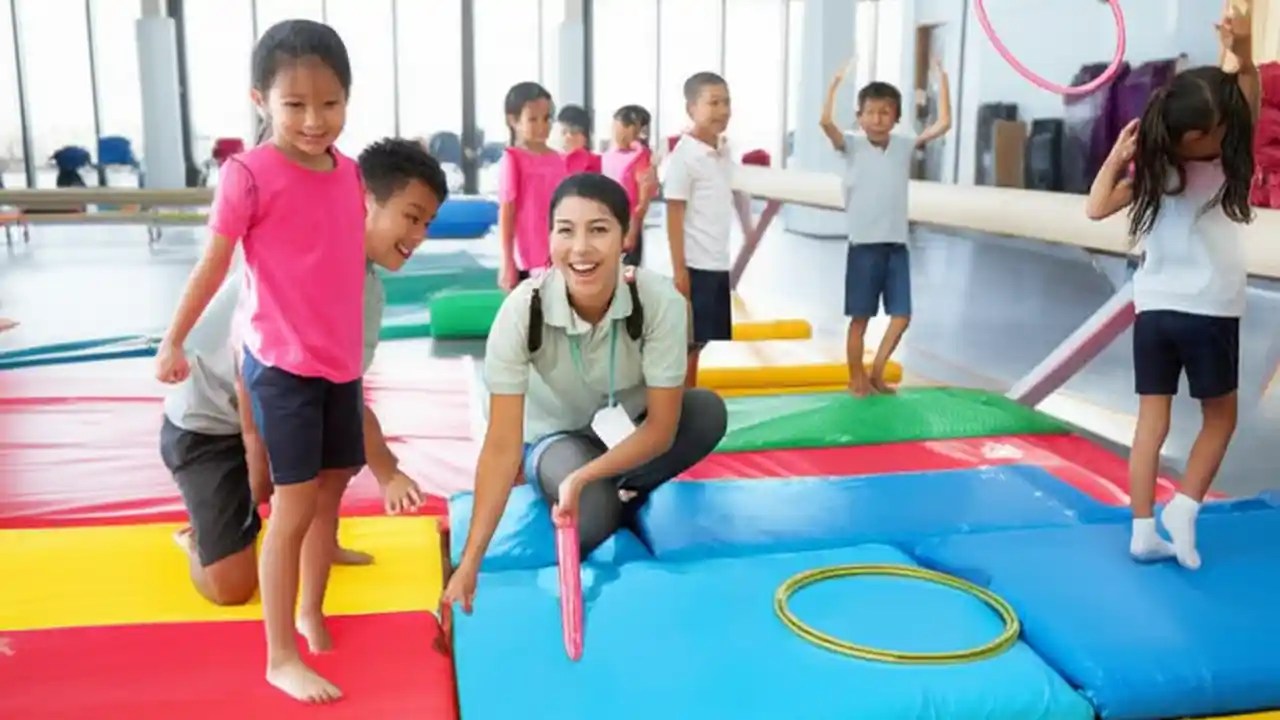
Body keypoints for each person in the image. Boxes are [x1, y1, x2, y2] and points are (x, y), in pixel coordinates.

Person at [153, 19, 363, 703]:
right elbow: (214, 266)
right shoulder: (248, 174)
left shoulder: (350, 171)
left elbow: (331, 267)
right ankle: (278, 655)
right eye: (295, 104)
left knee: (332, 484)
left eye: (329, 103)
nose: (314, 119)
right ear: (260, 100)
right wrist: (173, 339)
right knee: (294, 505)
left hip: (337, 366)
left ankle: (309, 608)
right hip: (283, 367)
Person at [160, 138, 449, 609]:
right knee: (232, 587)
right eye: (411, 217)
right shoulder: (294, 263)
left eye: (428, 223)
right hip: (210, 426)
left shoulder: (368, 289)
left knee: (338, 441)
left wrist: (385, 469)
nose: (419, 235)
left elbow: (345, 393)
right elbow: (246, 380)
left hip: (272, 410)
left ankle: (320, 540)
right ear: (363, 201)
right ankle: (200, 537)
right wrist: (260, 479)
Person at [441, 174, 728, 612]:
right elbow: (501, 447)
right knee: (591, 511)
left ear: (624, 236)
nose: (580, 249)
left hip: (630, 428)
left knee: (706, 411)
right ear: (550, 236)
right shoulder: (522, 310)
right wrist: (471, 564)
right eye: (565, 230)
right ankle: (612, 493)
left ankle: (617, 486)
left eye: (598, 229)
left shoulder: (659, 302)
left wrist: (584, 478)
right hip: (555, 441)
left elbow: (663, 428)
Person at [1085, 4, 1258, 571]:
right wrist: (1246, 52)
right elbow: (1249, 93)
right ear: (1199, 136)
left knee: (1150, 422)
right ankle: (1183, 507)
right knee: (1220, 419)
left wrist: (1117, 153)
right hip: (1209, 311)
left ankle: (1141, 529)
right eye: (1224, 124)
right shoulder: (1228, 164)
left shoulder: (1156, 171)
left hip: (1154, 310)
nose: (1234, 127)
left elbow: (1094, 208)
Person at [819, 60, 951, 397]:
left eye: (886, 112)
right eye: (871, 112)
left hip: (896, 246)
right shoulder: (851, 145)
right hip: (864, 246)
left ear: (897, 117)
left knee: (902, 315)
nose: (878, 119)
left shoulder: (904, 145)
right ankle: (855, 378)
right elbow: (825, 122)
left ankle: (877, 372)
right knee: (860, 320)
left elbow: (944, 124)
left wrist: (943, 81)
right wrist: (834, 85)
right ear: (860, 117)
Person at [662, 72, 754, 388]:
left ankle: (688, 394)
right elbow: (674, 215)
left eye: (726, 102)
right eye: (713, 102)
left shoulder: (724, 150)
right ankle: (680, 401)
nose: (722, 110)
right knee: (688, 341)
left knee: (702, 339)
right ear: (691, 109)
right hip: (694, 264)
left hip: (716, 261)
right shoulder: (684, 158)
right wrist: (679, 271)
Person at [498, 81, 571, 291]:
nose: (542, 126)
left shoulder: (559, 160)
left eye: (547, 118)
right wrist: (507, 260)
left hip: (559, 254)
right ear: (513, 120)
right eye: (533, 119)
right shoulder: (513, 158)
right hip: (528, 259)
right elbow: (507, 211)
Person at [603, 104, 656, 267]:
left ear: (631, 128)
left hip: (627, 225)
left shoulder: (640, 156)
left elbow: (642, 198)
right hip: (607, 219)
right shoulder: (611, 154)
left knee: (626, 270)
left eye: (617, 127)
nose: (613, 132)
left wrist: (632, 229)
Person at [557, 104, 602, 174]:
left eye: (574, 132)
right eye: (563, 131)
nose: (568, 136)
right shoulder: (553, 160)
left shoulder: (595, 162)